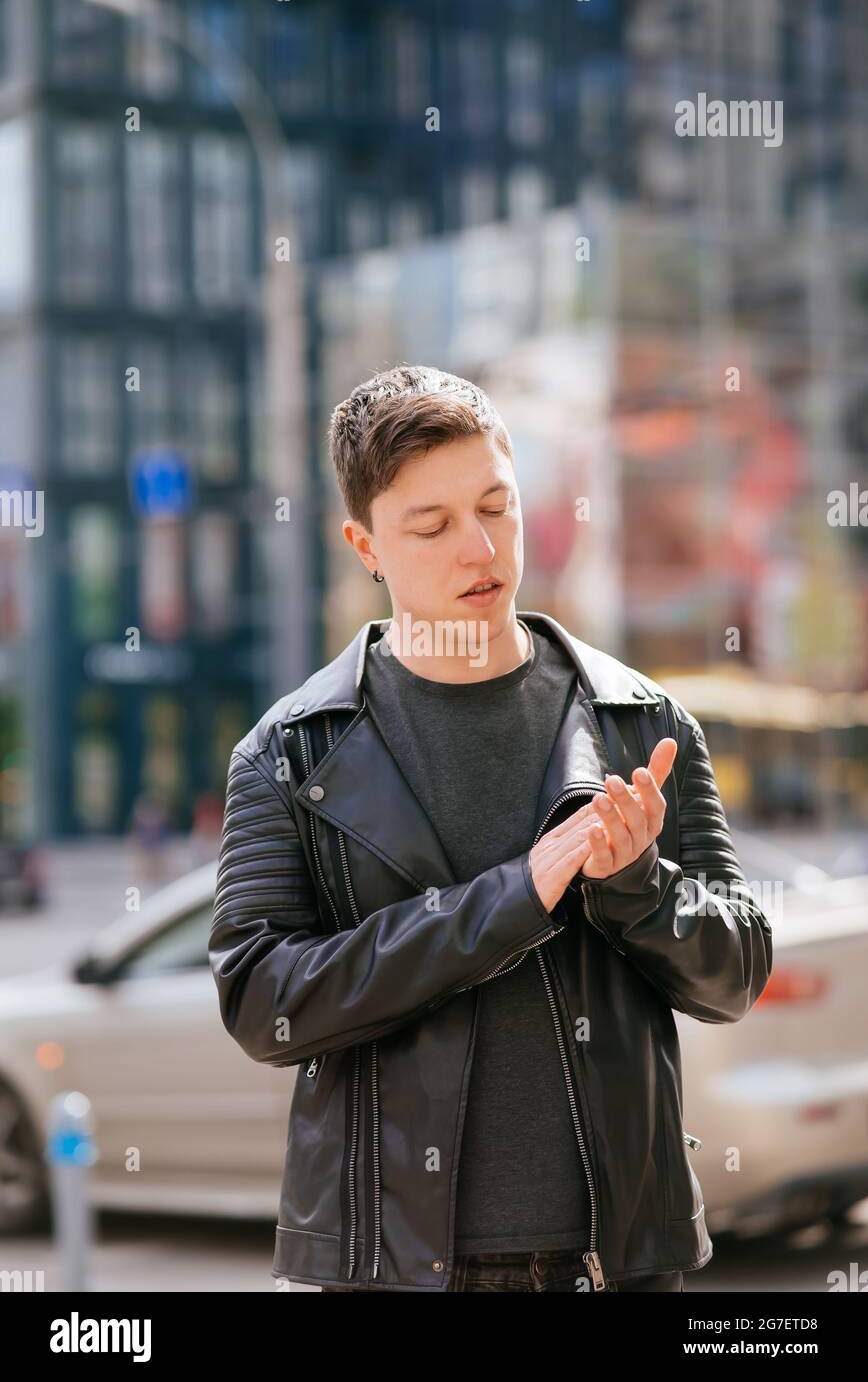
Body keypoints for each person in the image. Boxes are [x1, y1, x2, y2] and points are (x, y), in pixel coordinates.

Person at [209, 365, 773, 1293]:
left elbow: (736, 974)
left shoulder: (644, 722)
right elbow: (263, 1002)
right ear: (366, 545)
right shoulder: (288, 753)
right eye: (431, 526)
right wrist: (514, 897)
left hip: (620, 1263)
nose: (480, 547)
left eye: (497, 507)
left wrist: (638, 887)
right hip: (392, 1270)